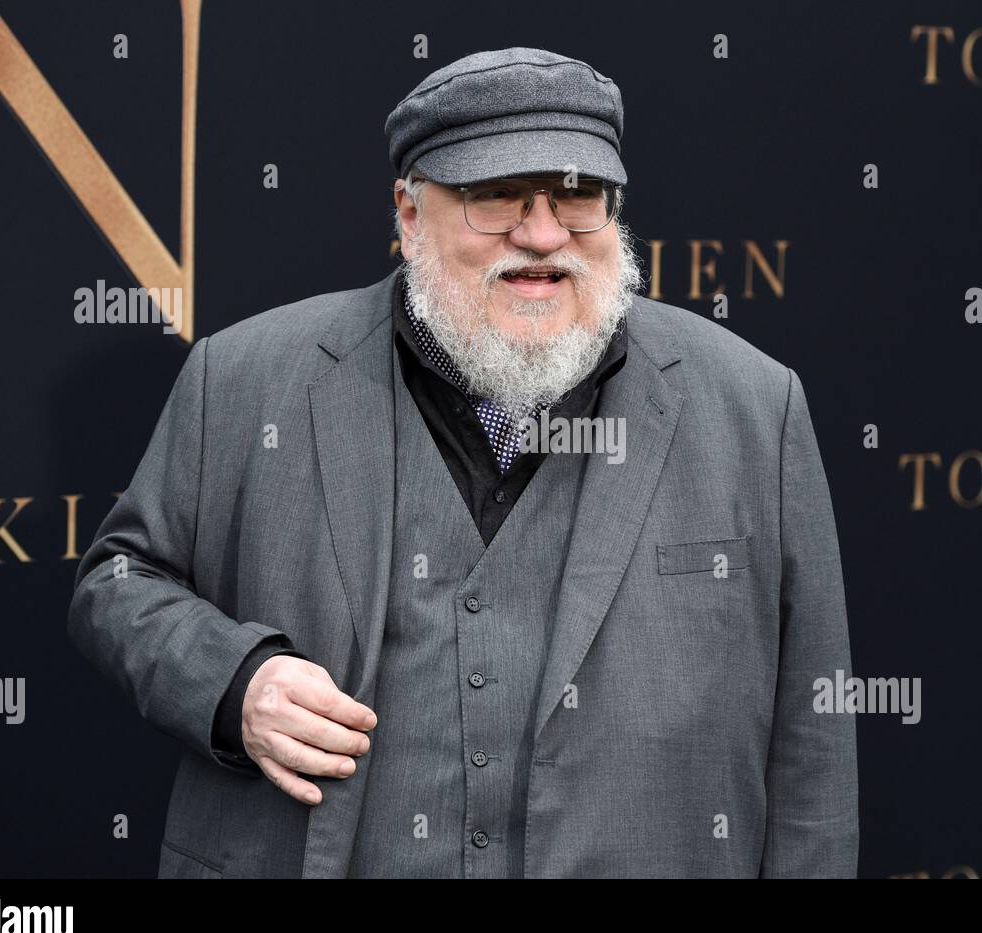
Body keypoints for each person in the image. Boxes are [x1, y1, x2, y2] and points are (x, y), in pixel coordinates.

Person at [68, 46, 858, 878]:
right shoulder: (241, 378)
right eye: (497, 196)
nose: (544, 232)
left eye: (578, 195)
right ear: (409, 215)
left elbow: (814, 742)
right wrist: (233, 684)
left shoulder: (754, 407)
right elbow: (117, 582)